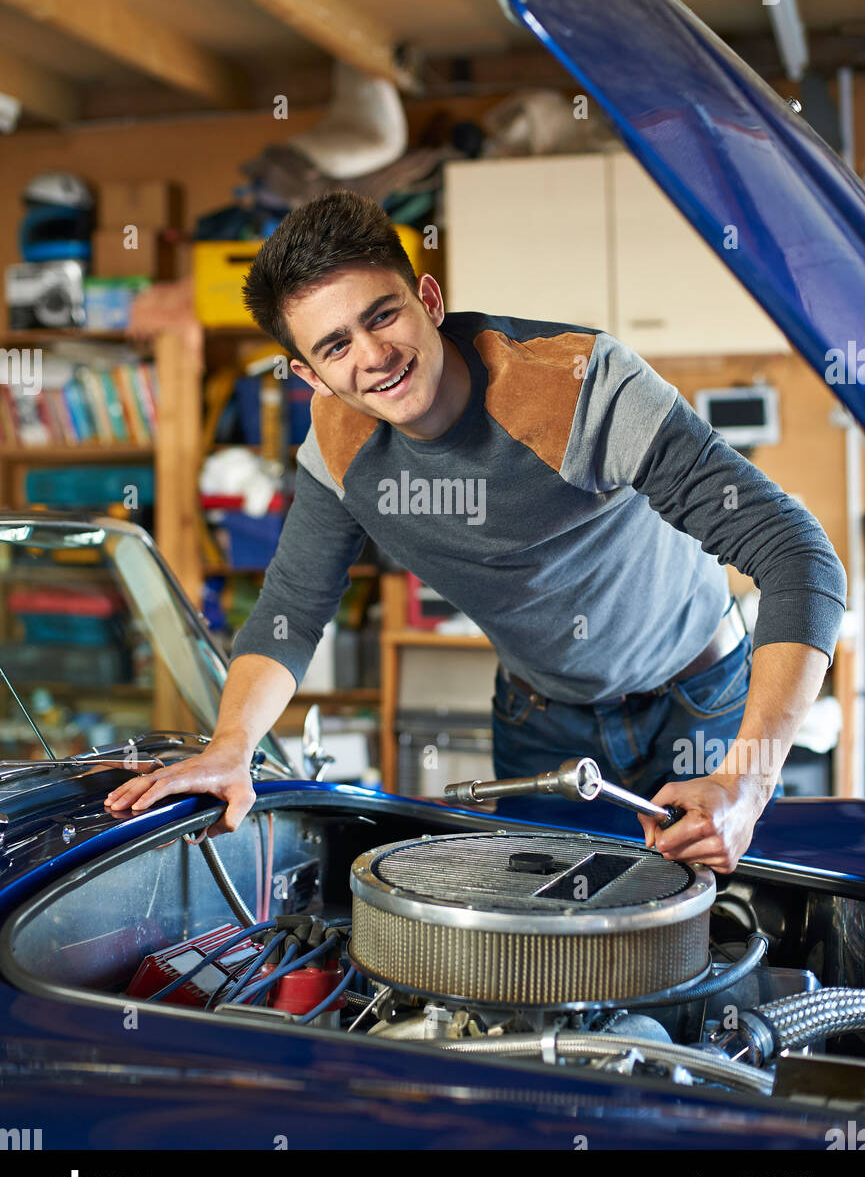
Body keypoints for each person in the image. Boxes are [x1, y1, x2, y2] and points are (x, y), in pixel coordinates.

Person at [105, 192, 846, 873]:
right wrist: (231, 746)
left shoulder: (583, 386)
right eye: (335, 346)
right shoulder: (334, 452)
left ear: (427, 298)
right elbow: (291, 609)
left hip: (701, 694)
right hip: (540, 717)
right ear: (309, 375)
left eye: (382, 315)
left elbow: (797, 557)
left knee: (706, 934)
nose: (371, 355)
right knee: (545, 939)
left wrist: (746, 781)